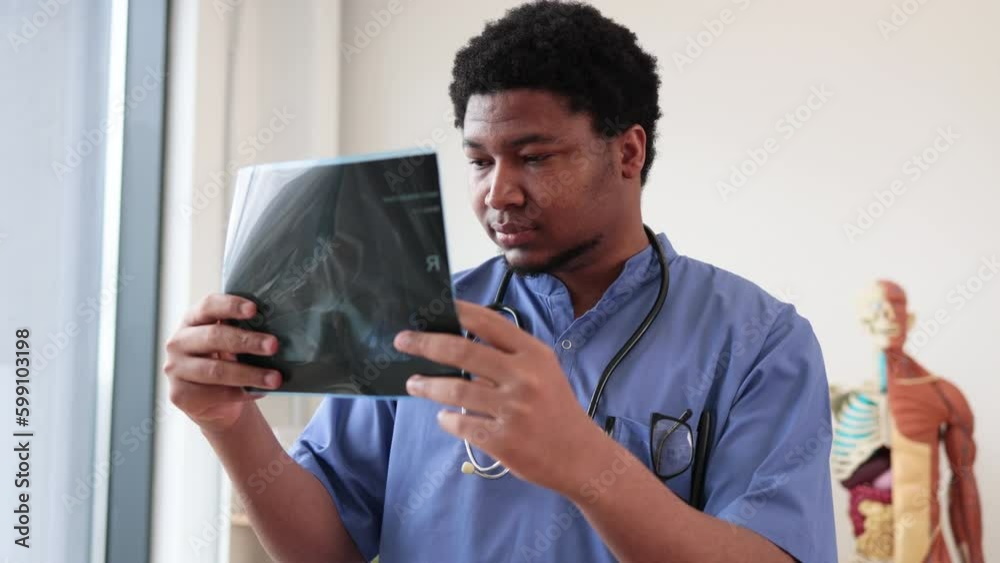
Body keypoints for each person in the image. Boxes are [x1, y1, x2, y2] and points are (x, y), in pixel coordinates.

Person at [163, 2, 836, 561]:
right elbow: (325, 549)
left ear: (628, 152)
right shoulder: (418, 315)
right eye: (480, 161)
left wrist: (585, 463)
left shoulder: (759, 341)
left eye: (535, 157)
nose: (498, 192)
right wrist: (230, 422)